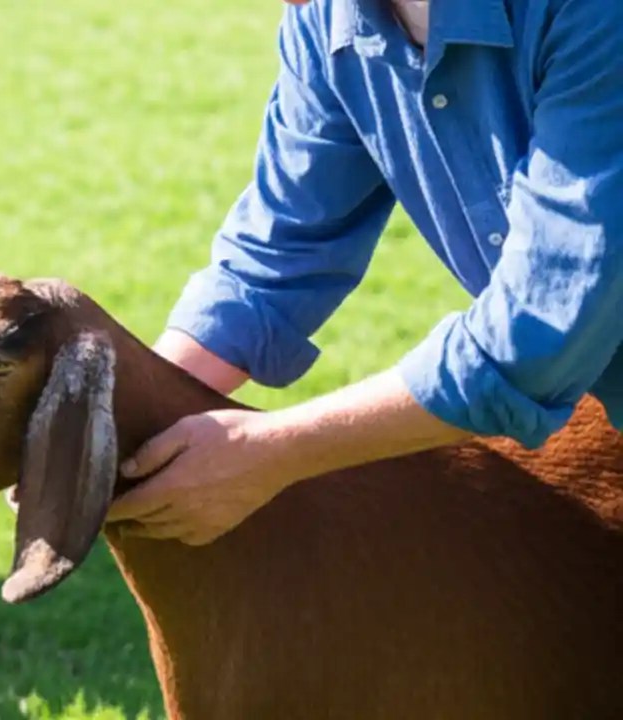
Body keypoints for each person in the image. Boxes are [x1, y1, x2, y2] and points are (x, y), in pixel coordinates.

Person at [105, 0, 623, 545]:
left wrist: (276, 452)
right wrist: (117, 427)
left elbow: (539, 331)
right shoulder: (328, 19)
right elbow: (272, 261)